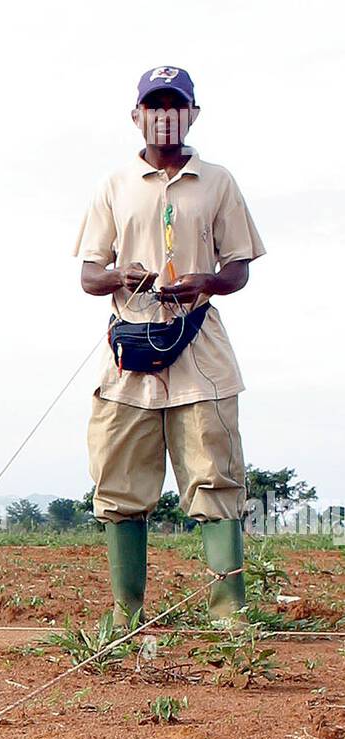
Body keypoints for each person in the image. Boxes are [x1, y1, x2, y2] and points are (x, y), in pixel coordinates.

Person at [73, 66, 266, 626]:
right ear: (137, 117)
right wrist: (120, 277)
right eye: (153, 106)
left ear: (192, 115)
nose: (164, 116)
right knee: (118, 477)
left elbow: (239, 269)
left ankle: (228, 610)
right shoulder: (114, 185)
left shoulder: (219, 181)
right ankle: (125, 612)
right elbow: (89, 274)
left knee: (216, 474)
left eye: (175, 106)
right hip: (130, 348)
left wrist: (204, 281)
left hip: (199, 345)